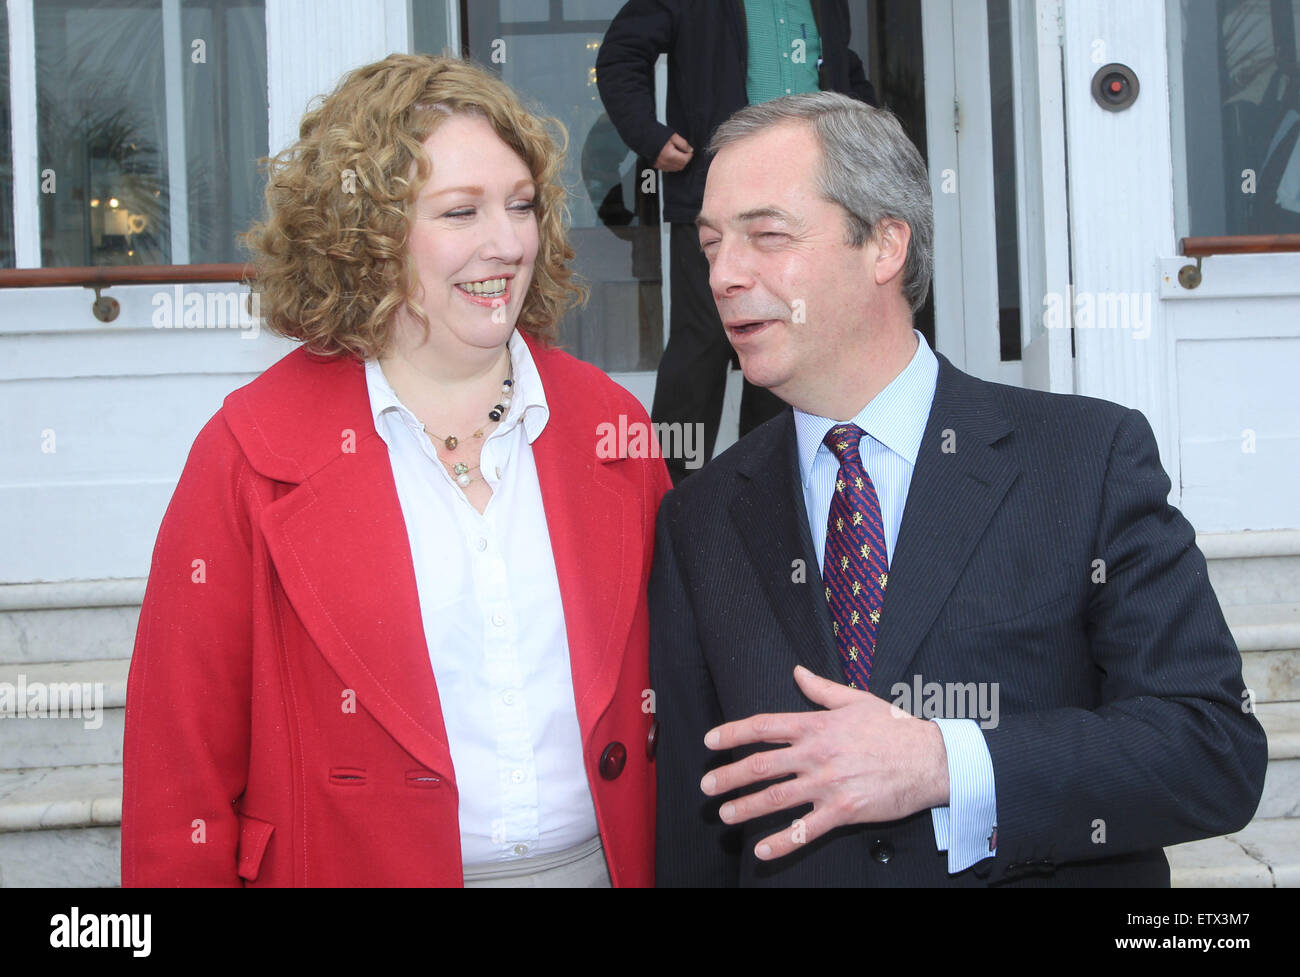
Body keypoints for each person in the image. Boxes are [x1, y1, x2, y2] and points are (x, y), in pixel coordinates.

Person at [649, 91, 1268, 886]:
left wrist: (947, 762)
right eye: (709, 245)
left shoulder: (1085, 459)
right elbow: (698, 834)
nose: (725, 276)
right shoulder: (699, 518)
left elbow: (1209, 748)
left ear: (885, 245)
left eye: (766, 236)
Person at [121, 53, 670, 888]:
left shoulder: (613, 429)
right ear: (367, 235)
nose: (508, 243)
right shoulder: (248, 452)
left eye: (521, 205)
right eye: (461, 211)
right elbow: (179, 773)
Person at [597, 0, 875, 484]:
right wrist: (649, 135)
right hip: (715, 193)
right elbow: (621, 53)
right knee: (701, 347)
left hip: (811, 198)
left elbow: (841, 65)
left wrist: (870, 134)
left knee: (786, 339)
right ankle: (666, 496)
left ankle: (769, 496)